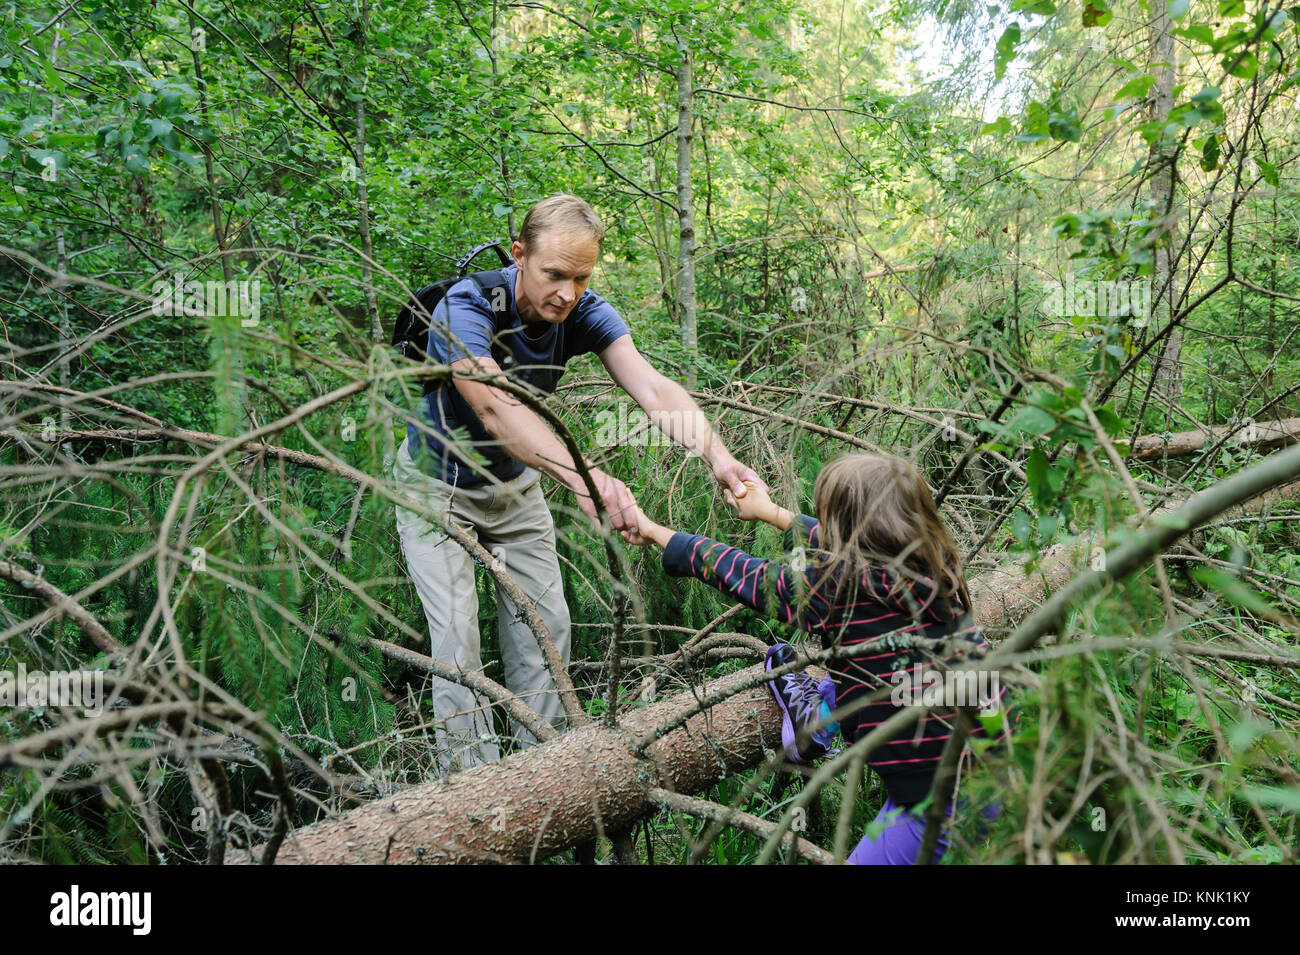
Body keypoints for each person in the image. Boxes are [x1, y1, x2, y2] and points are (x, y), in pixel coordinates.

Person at [393, 194, 766, 773]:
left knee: (546, 630)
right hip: (438, 489)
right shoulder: (466, 309)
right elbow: (493, 408)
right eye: (554, 274)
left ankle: (549, 774)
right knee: (458, 647)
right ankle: (473, 795)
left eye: (582, 276)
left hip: (516, 487)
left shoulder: (585, 311)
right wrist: (586, 480)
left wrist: (717, 455)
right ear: (519, 255)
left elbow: (654, 388)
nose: (567, 292)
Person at [622, 451, 1011, 864]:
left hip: (934, 803)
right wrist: (771, 512)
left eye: (828, 520)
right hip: (991, 763)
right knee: (867, 669)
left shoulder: (836, 589)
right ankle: (819, 718)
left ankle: (816, 722)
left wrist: (656, 531)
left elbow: (743, 573)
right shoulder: (934, 566)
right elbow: (844, 545)